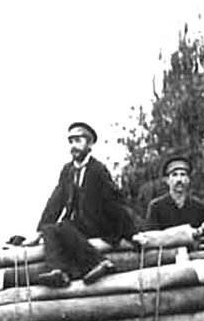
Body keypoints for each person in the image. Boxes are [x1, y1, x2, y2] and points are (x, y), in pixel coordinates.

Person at [34, 122, 140, 286]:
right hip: (78, 226)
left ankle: (99, 262)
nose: (73, 146)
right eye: (71, 141)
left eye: (78, 141)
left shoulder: (97, 170)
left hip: (99, 224)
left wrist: (132, 233)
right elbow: (55, 201)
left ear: (89, 144)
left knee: (64, 226)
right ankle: (59, 271)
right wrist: (39, 230)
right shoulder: (67, 170)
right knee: (49, 229)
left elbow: (115, 202)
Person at [145, 156, 204, 230]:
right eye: (174, 175)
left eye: (183, 174)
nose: (179, 179)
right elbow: (151, 236)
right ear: (167, 180)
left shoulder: (199, 207)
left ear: (188, 179)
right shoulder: (156, 207)